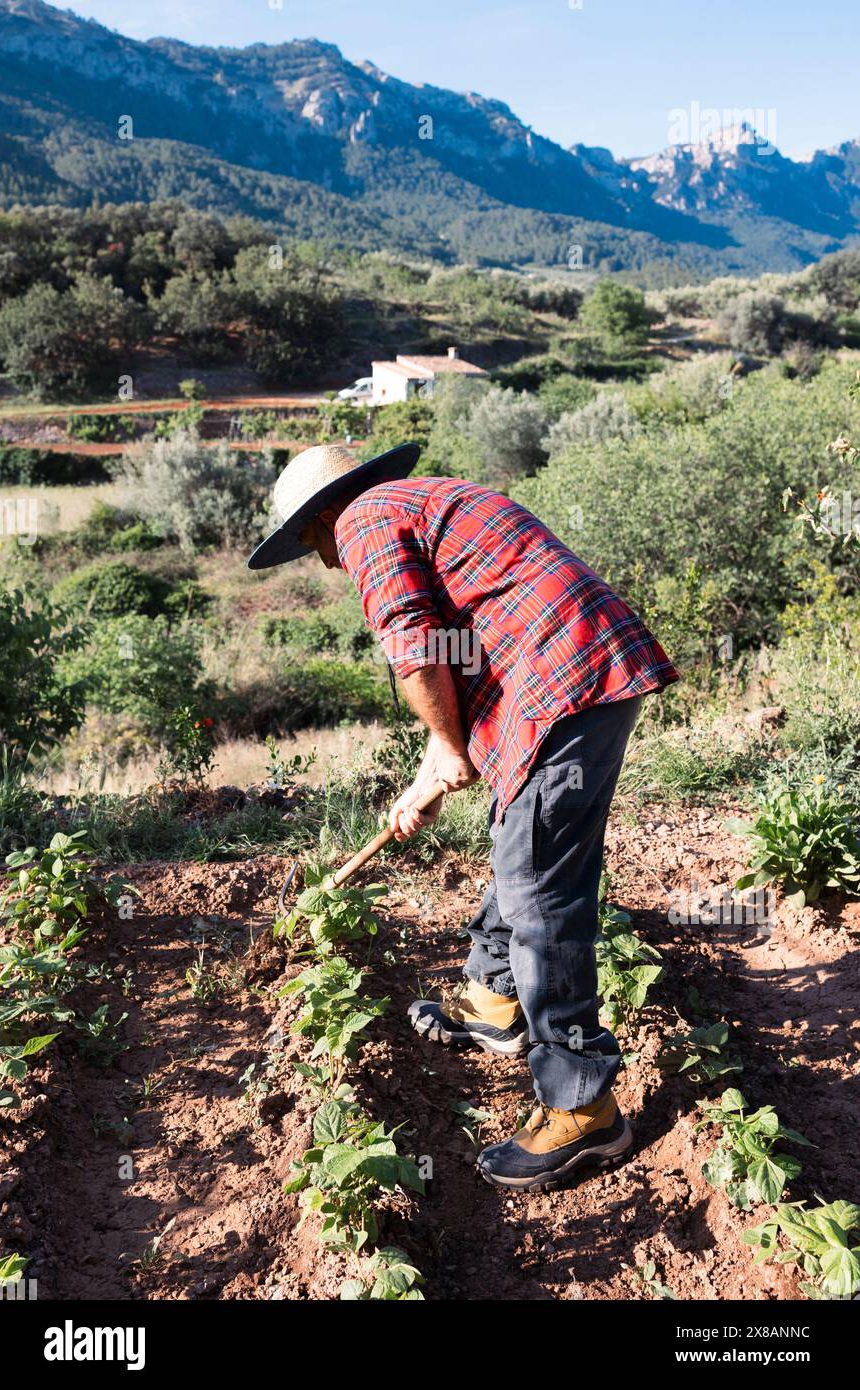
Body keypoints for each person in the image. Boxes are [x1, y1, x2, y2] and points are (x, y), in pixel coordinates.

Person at [248, 441, 679, 1191]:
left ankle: (586, 1109)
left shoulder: (365, 521)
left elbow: (414, 653)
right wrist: (431, 772)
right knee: (526, 841)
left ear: (324, 516)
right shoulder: (420, 503)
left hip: (562, 681)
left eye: (309, 541)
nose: (321, 560)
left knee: (542, 886)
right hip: (574, 672)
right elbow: (455, 650)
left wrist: (448, 747)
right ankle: (495, 998)